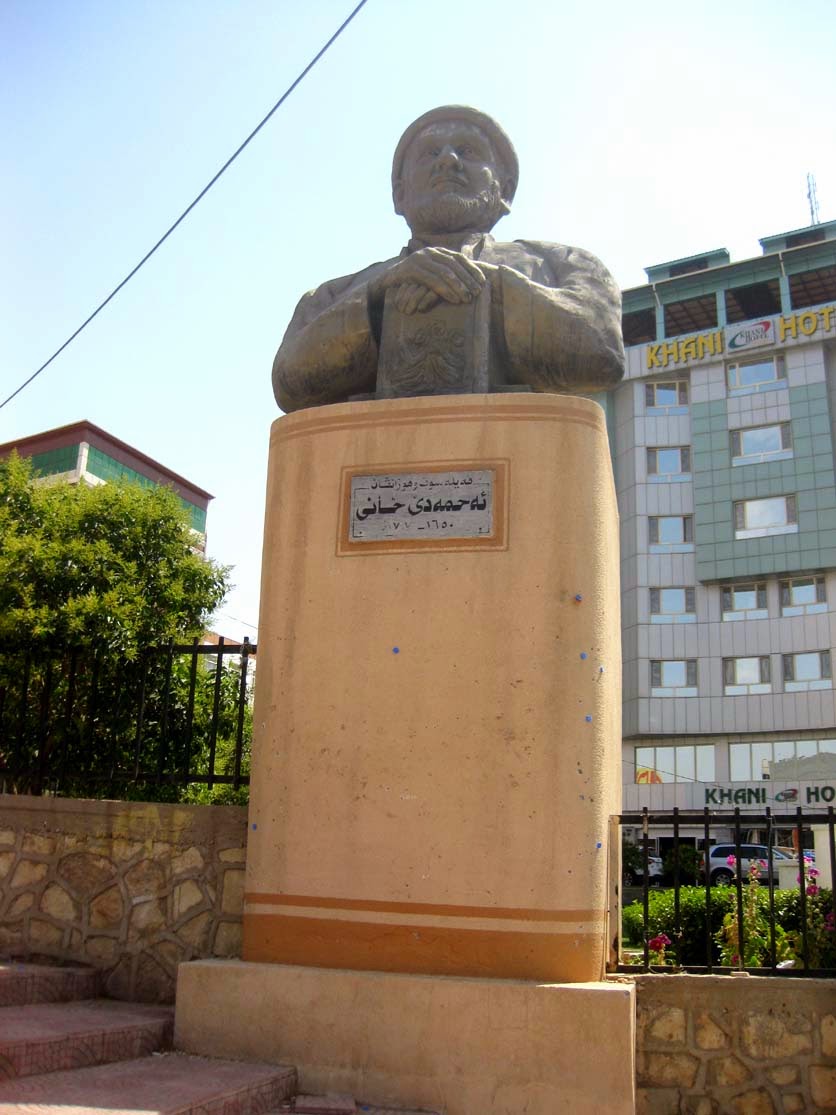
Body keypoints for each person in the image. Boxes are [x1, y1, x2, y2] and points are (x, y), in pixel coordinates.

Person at [273, 105, 624, 412]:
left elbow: (602, 354)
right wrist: (379, 296)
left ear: (505, 190)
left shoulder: (564, 265)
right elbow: (290, 385)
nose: (447, 161)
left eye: (468, 151)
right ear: (399, 194)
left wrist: (487, 284)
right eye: (429, 153)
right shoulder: (335, 295)